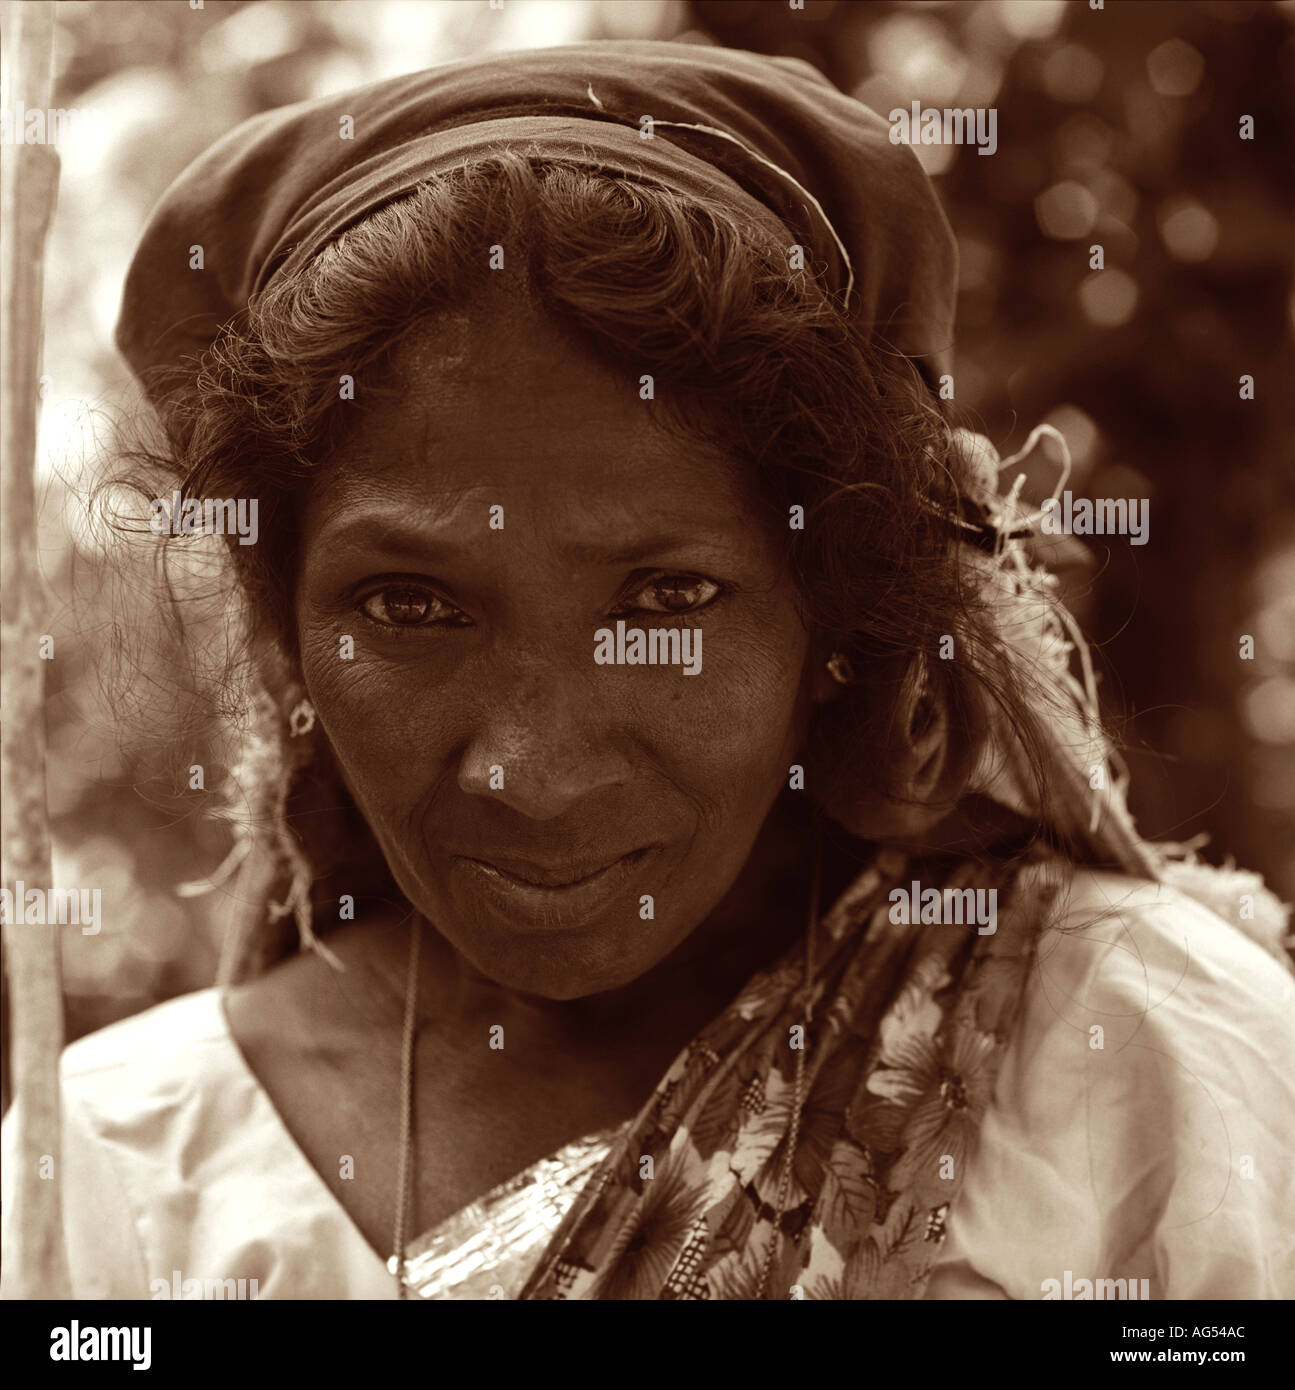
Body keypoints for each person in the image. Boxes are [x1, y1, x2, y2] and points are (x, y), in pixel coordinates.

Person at [4, 40, 1293, 1301]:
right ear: (284, 629)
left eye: (668, 600)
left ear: (842, 613)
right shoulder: (113, 1183)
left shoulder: (1145, 1065)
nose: (533, 771)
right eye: (408, 605)